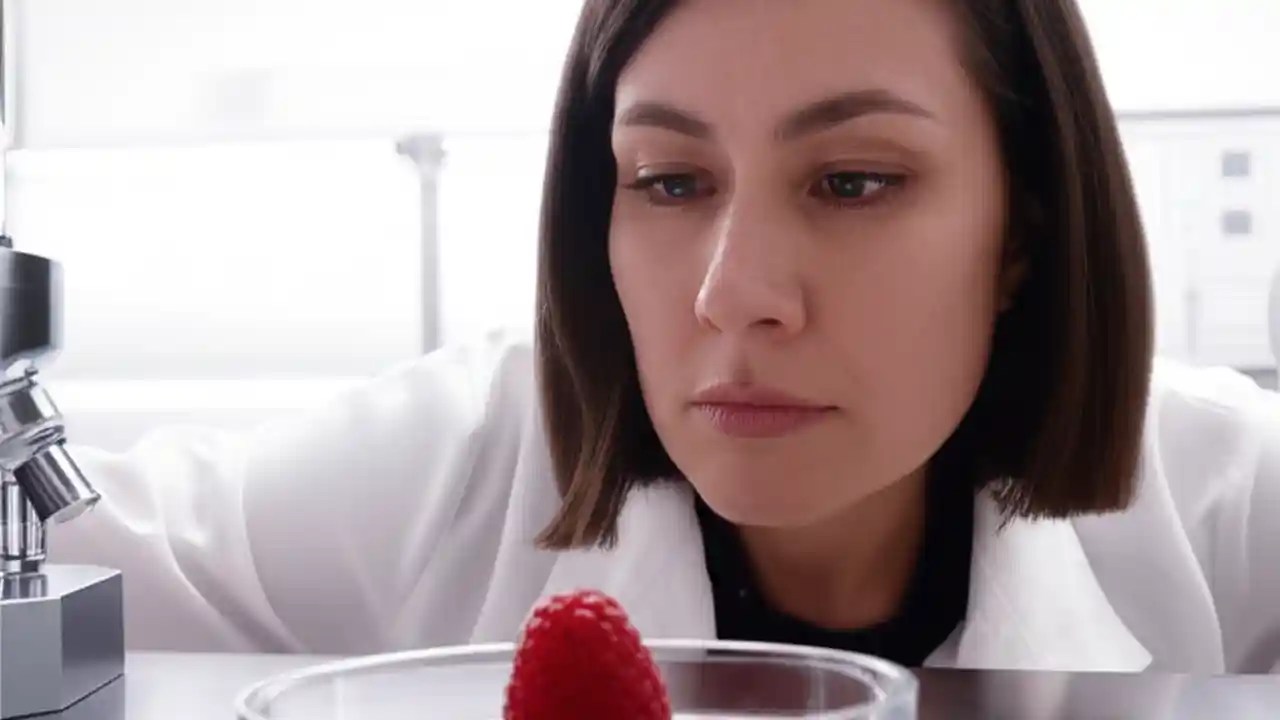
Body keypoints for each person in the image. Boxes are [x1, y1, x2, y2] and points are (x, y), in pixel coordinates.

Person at [52, 0, 1280, 673]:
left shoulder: (1233, 504)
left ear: (1021, 232)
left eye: (852, 182)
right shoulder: (458, 465)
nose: (732, 294)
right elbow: (70, 554)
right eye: (668, 180)